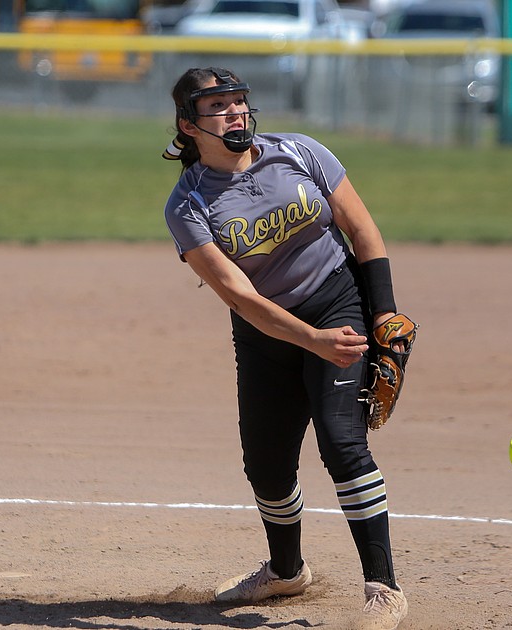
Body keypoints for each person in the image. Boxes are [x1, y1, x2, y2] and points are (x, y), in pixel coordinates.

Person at [161, 67, 409, 630]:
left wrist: (385, 311)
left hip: (337, 306)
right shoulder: (189, 205)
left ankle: (383, 587)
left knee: (342, 444)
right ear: (187, 125)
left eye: (239, 102)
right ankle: (286, 572)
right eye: (217, 106)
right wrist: (309, 341)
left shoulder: (300, 153)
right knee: (267, 466)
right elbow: (239, 297)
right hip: (267, 332)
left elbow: (363, 232)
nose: (235, 113)